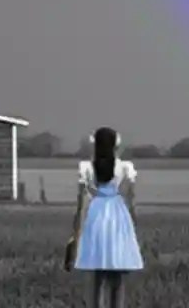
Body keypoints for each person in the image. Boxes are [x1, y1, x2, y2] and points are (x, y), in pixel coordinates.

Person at [69, 126, 143, 307]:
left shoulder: (87, 168)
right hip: (118, 214)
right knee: (117, 276)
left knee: (98, 274)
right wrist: (133, 223)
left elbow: (81, 203)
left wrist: (76, 233)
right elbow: (131, 198)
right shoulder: (124, 167)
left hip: (96, 214)